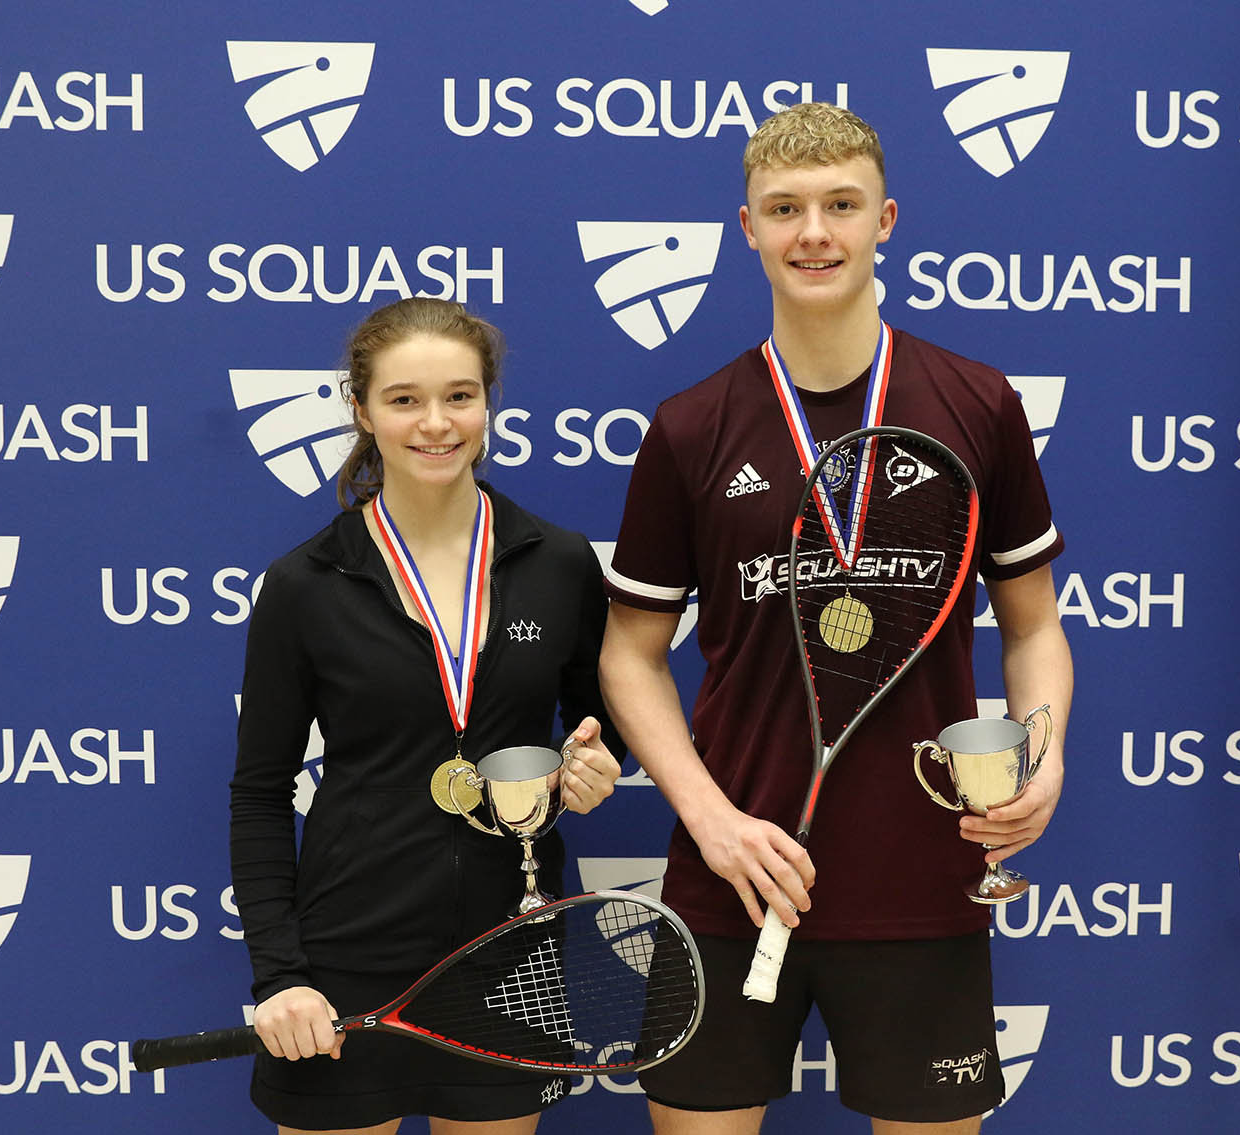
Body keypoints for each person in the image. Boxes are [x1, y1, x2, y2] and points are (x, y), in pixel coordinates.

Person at [598, 103, 1074, 1134]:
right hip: (733, 876)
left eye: (839, 206)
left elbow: (1032, 625)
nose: (813, 232)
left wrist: (1042, 754)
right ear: (748, 229)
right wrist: (711, 820)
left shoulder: (976, 401)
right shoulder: (688, 427)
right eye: (785, 209)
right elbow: (630, 654)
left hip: (922, 872)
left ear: (884, 219)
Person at [229, 297, 624, 1135]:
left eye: (459, 395)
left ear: (489, 403)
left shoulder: (557, 562)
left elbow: (604, 728)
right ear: (362, 409)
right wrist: (280, 976)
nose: (436, 423)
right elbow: (260, 792)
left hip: (508, 951)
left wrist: (590, 770)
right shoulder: (304, 584)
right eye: (405, 399)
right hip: (343, 957)